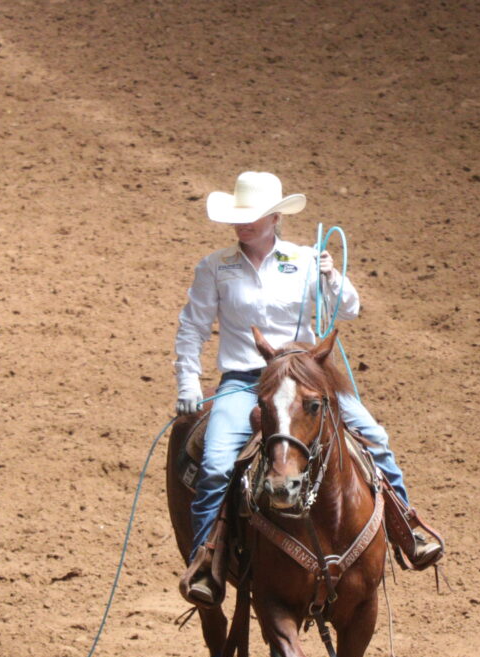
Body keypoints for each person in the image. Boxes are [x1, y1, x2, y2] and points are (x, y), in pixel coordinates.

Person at [173, 171, 444, 607]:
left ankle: (405, 528)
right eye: (239, 217)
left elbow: (349, 308)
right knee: (218, 462)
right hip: (246, 380)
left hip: (306, 374)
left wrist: (333, 276)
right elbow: (192, 328)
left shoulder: (305, 259)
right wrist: (187, 379)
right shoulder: (215, 267)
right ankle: (206, 561)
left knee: (374, 437)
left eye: (255, 217)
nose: (244, 225)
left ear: (276, 217)